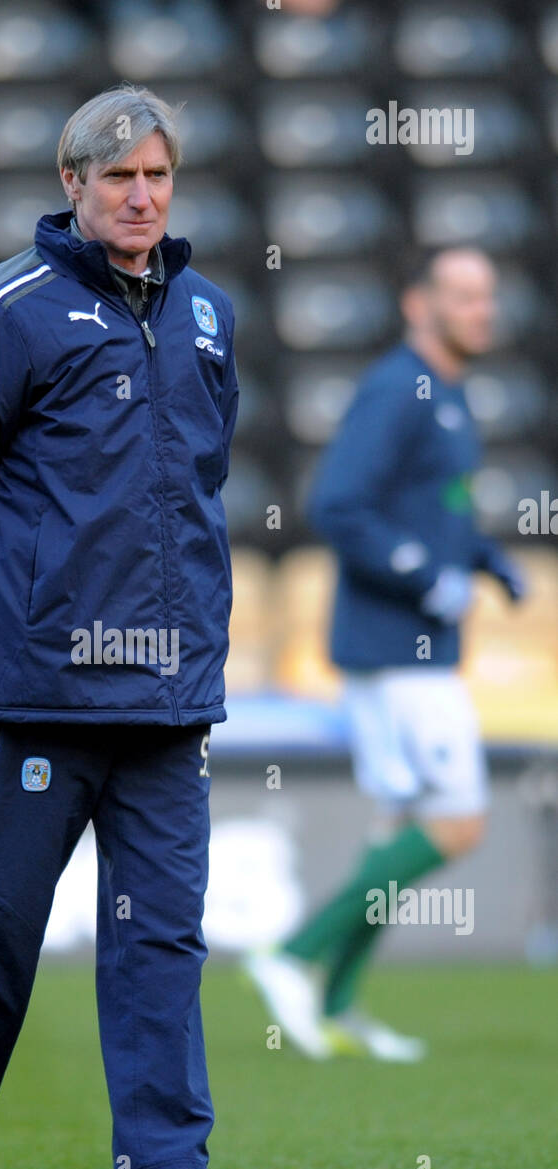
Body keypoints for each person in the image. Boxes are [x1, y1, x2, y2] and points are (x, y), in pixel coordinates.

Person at [0, 85, 272, 1169]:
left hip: (169, 700)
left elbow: (196, 490)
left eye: (155, 175)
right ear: (72, 186)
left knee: (161, 943)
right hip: (37, 694)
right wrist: (2, 620)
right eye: (116, 178)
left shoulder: (206, 312)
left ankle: (158, 1167)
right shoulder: (0, 308)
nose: (139, 195)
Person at [247, 246, 526, 1061]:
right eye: (464, 297)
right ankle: (291, 956)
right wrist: (424, 577)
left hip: (414, 652)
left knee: (398, 827)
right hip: (394, 653)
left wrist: (485, 560)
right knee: (460, 821)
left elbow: (433, 507)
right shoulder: (396, 389)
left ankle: (335, 1001)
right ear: (418, 304)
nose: (482, 311)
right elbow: (338, 504)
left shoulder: (445, 393)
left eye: (487, 297)